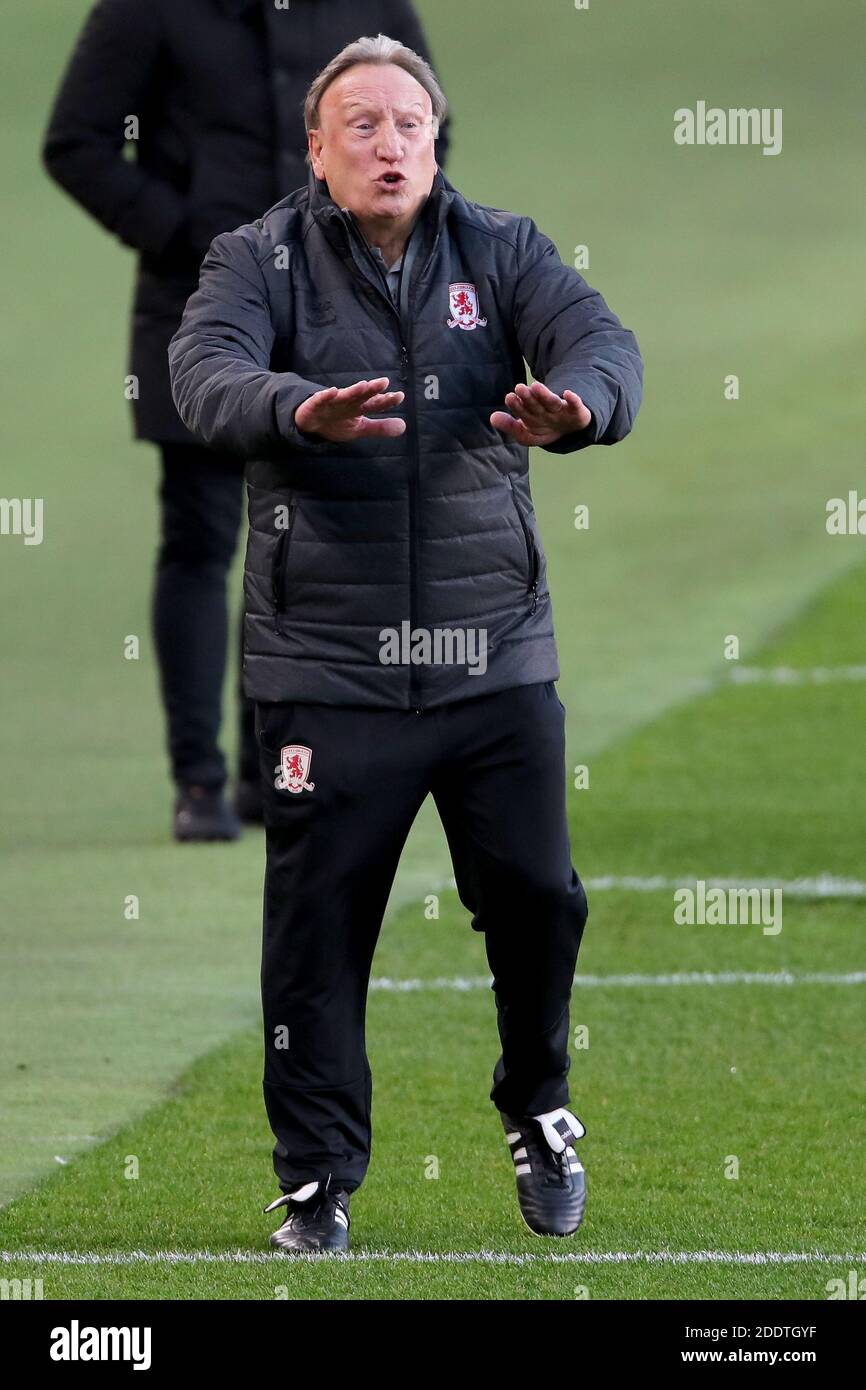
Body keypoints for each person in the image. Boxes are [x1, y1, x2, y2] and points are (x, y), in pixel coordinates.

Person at [169, 33, 643, 1251]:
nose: (391, 144)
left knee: (539, 895)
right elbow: (204, 376)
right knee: (317, 931)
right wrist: (296, 406)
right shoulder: (254, 257)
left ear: (437, 144)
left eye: (411, 125)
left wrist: (580, 406)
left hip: (492, 655)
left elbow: (603, 344)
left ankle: (537, 1106)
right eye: (364, 125)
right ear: (316, 148)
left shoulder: (505, 249)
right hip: (327, 669)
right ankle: (318, 1180)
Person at [42, 0, 449, 841]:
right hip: (193, 308)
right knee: (199, 538)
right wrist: (185, 231)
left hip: (338, 312)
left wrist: (371, 245)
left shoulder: (368, 5)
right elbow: (75, 143)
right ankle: (198, 784)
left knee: (309, 543)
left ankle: (278, 772)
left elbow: (426, 123)